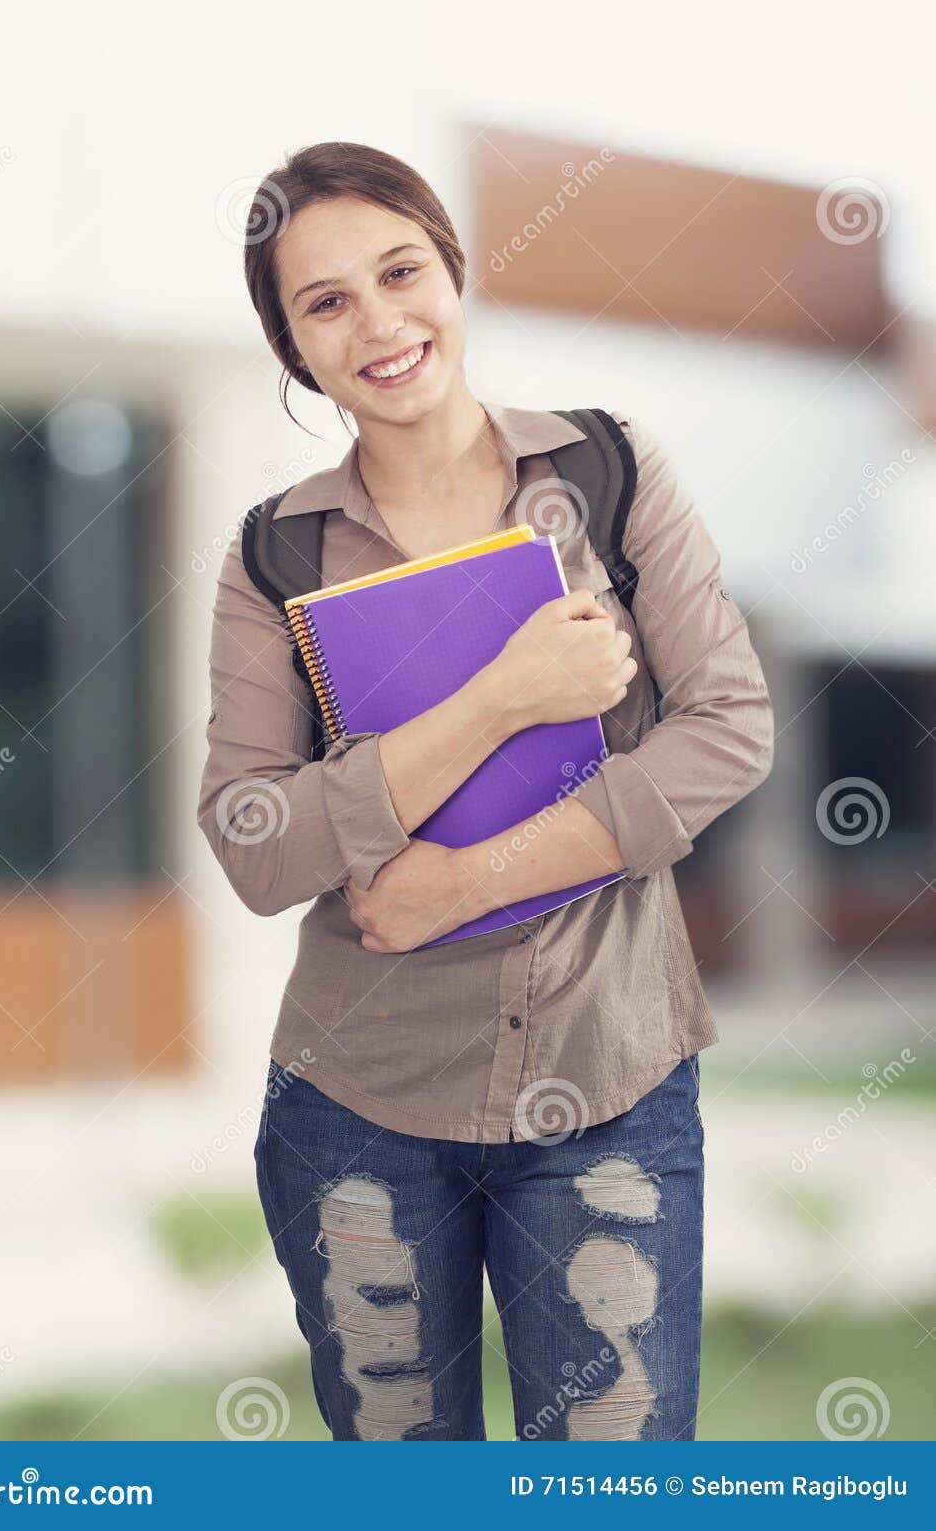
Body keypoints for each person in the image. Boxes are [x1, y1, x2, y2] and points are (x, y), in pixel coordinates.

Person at [198, 141, 775, 1441]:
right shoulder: (275, 555)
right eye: (325, 302)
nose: (380, 322)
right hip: (357, 1110)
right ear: (295, 350)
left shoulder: (609, 470)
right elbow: (252, 843)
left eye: (401, 271)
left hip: (606, 1079)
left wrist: (465, 879)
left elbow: (729, 730)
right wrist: (506, 697)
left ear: (453, 270)